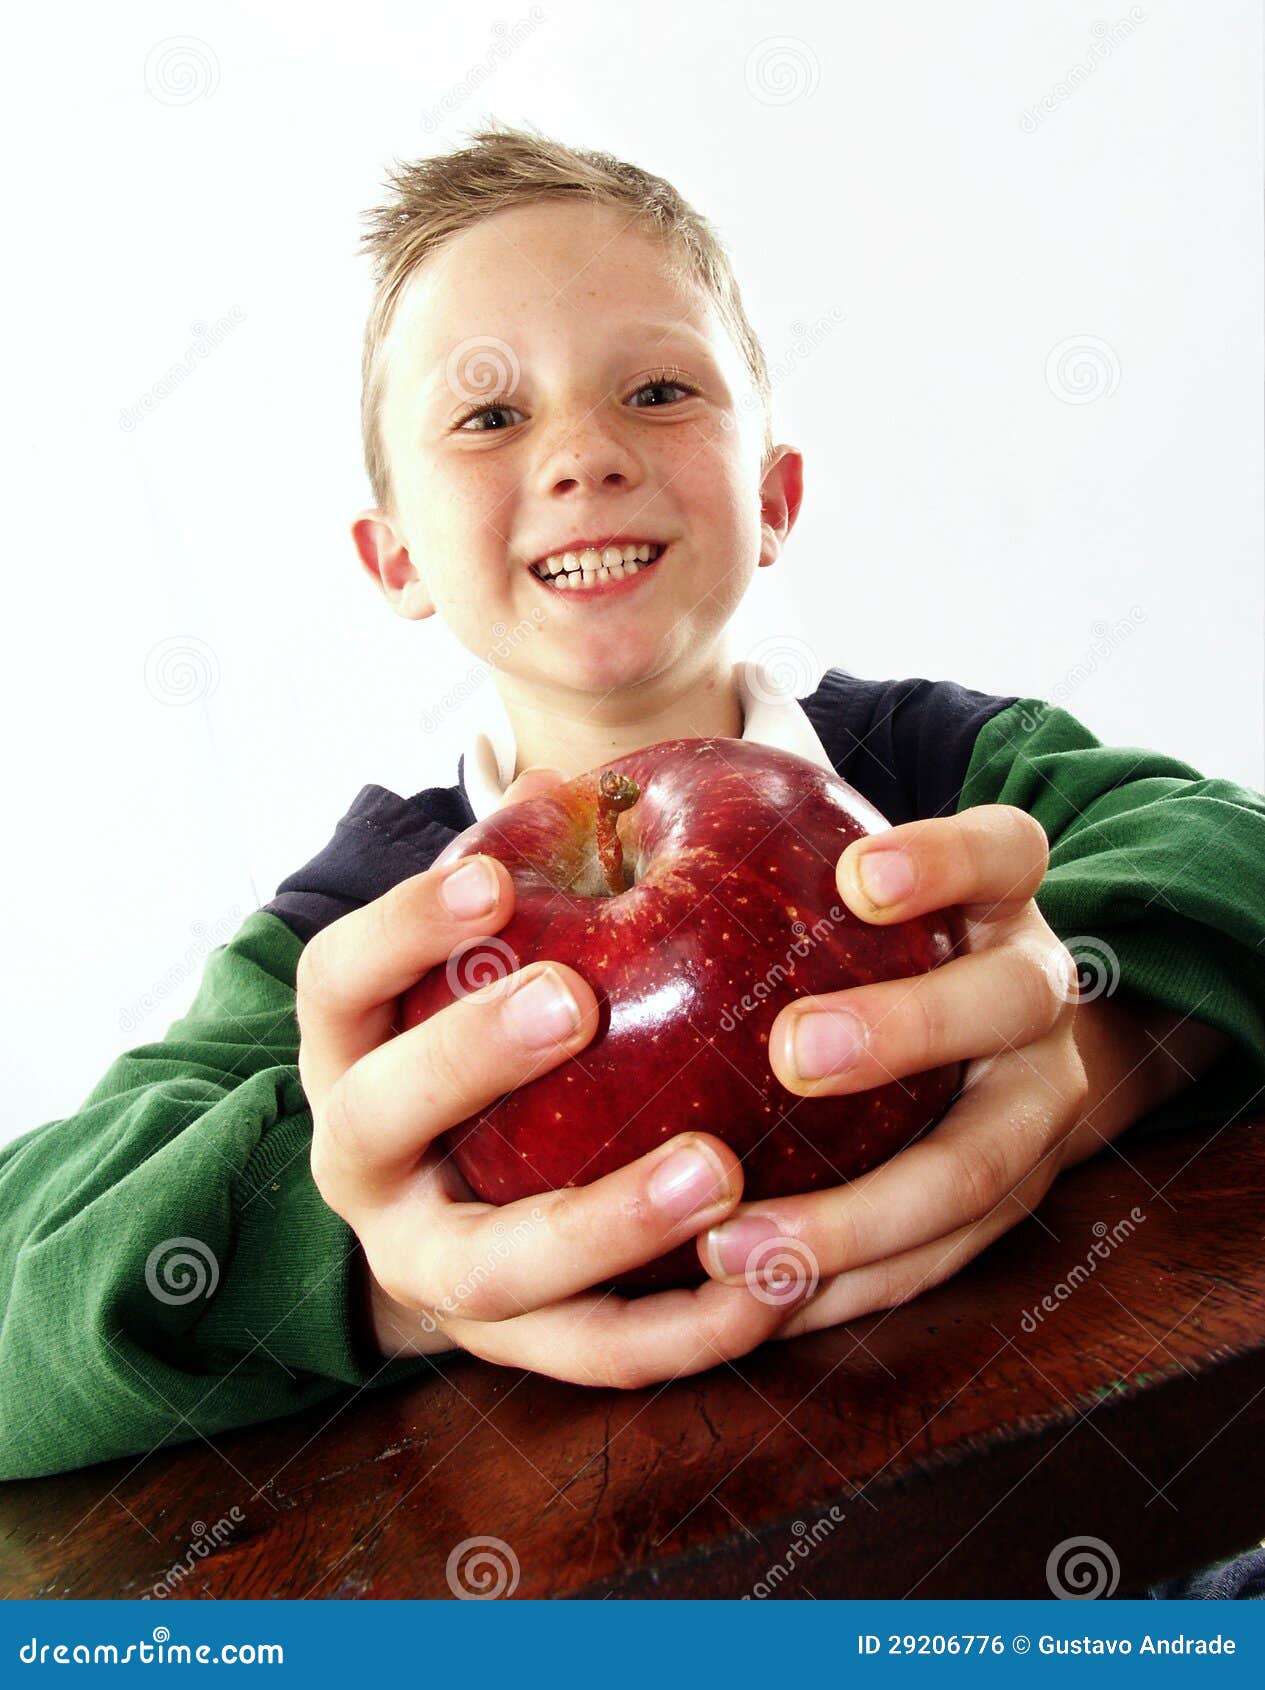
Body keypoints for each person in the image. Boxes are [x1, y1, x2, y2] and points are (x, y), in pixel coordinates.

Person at [2, 125, 1262, 1583]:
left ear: (775, 494)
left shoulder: (939, 784)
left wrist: (1098, 1032)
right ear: (393, 555)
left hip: (1078, 1517)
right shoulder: (361, 940)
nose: (585, 455)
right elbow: (33, 1256)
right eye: (485, 420)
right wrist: (367, 1251)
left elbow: (1222, 849)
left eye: (657, 391)